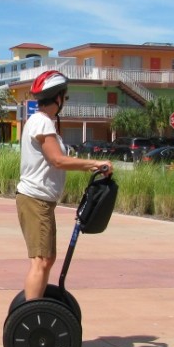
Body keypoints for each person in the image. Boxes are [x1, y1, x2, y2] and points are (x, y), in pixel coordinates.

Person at [16, 70, 112, 301]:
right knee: (41, 260)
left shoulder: (41, 122)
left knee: (45, 259)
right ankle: (32, 316)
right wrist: (94, 164)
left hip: (40, 200)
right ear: (57, 97)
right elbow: (57, 160)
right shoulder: (42, 122)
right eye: (64, 97)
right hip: (35, 199)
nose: (64, 102)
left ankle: (33, 310)